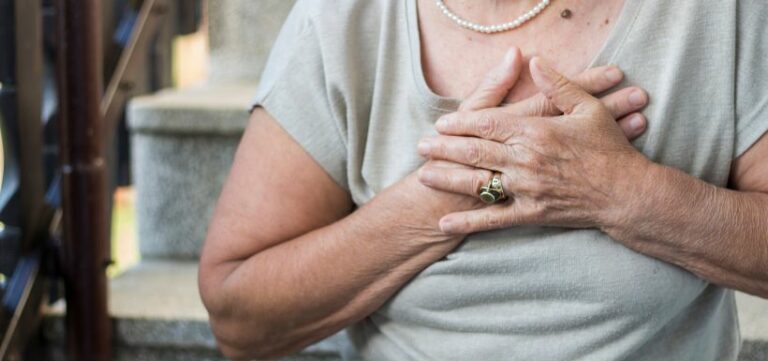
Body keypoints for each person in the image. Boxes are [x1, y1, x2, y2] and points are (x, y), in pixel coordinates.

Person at [198, 1, 768, 360]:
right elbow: (240, 317)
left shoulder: (723, 14)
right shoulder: (341, 21)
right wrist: (447, 191)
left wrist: (621, 192)